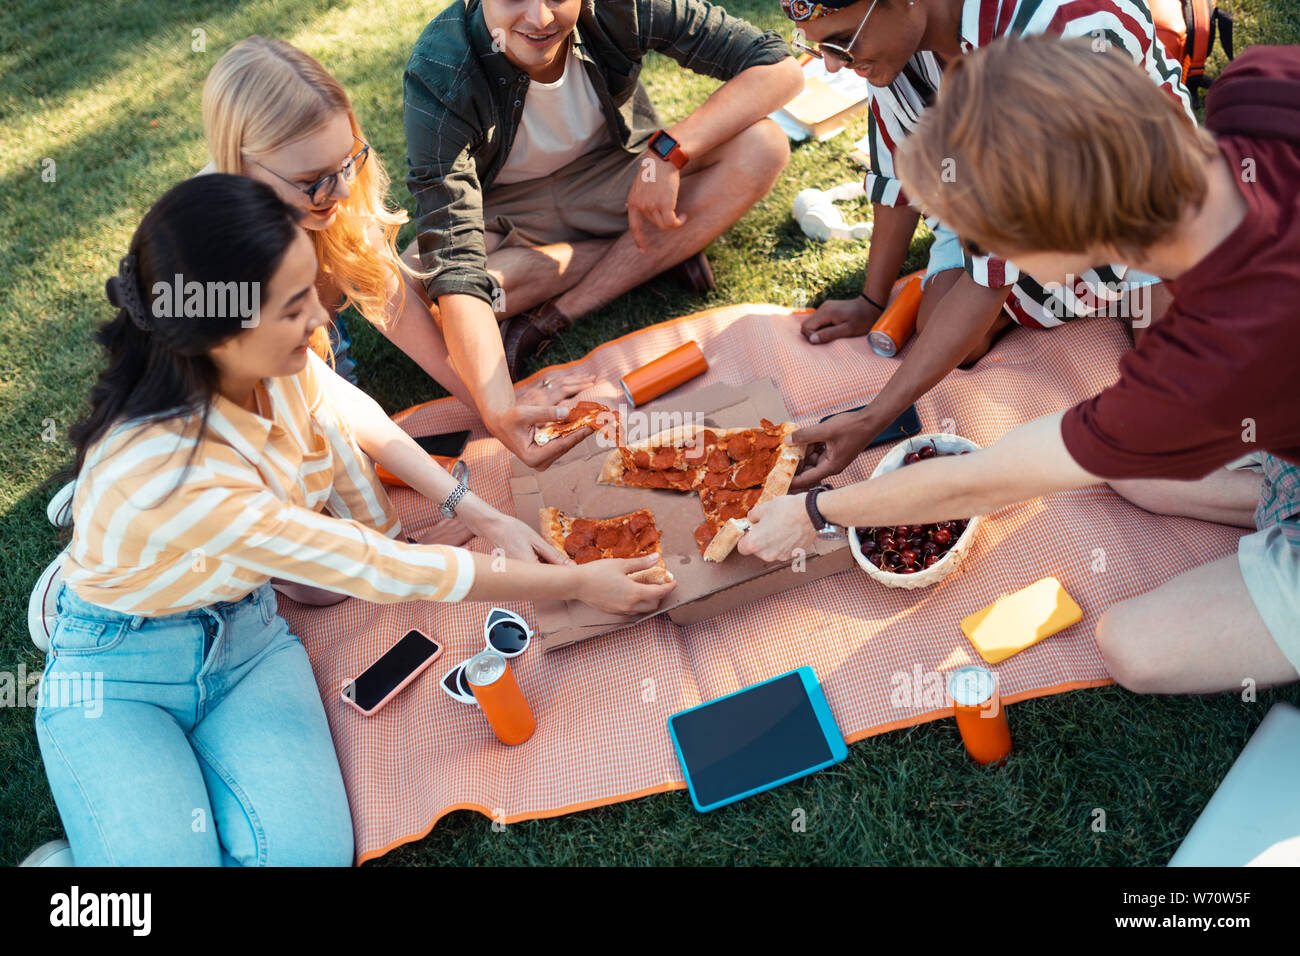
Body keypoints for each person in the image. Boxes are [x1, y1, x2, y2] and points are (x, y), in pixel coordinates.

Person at [25, 175, 675, 867]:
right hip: (120, 670)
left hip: (245, 636)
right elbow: (383, 568)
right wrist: (578, 585)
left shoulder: (262, 362)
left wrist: (477, 511)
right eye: (293, 308)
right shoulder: (173, 472)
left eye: (311, 292)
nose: (319, 322)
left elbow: (343, 407)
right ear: (215, 333)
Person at [737, 36, 1300, 696]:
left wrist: (818, 512)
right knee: (1135, 475)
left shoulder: (1210, 366)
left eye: (984, 242)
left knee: (1133, 647)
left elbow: (981, 481)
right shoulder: (1258, 86)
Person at [777, 0, 1189, 491]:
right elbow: (899, 171)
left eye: (842, 41)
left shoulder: (1062, 32)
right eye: (820, 45)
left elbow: (992, 274)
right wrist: (871, 300)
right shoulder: (899, 42)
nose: (832, 63)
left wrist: (872, 418)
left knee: (1176, 398)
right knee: (947, 334)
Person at [201, 36, 594, 474]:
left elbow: (392, 303)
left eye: (346, 162)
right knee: (322, 464)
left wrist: (499, 405)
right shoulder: (208, 254)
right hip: (234, 386)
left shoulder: (329, 183)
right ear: (239, 162)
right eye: (314, 180)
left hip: (315, 338)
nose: (344, 191)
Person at [403, 0, 804, 386]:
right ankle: (664, 252)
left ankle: (553, 316)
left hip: (619, 176)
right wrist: (493, 403)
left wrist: (666, 154)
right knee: (412, 290)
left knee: (763, 145)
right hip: (503, 206)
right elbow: (454, 256)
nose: (540, 17)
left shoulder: (620, 5)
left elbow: (779, 66)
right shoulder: (440, 67)